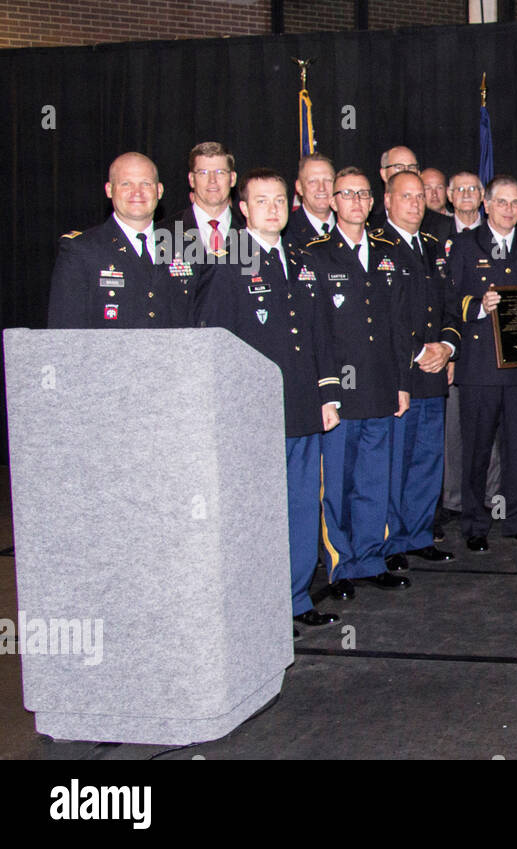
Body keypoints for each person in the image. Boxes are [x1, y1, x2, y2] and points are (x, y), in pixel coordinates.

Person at [195, 168, 342, 629]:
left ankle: (297, 597)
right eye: (262, 201)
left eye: (280, 200)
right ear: (243, 208)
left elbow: (320, 333)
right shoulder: (226, 264)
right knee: (259, 513)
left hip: (302, 407)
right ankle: (261, 608)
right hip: (252, 413)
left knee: (302, 507)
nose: (273, 209)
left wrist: (329, 395)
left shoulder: (301, 260)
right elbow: (213, 341)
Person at [301, 166, 411, 599]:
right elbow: (316, 329)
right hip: (340, 389)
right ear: (332, 200)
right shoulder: (315, 254)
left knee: (374, 479)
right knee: (338, 483)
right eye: (347, 194)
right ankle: (340, 564)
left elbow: (399, 327)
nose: (356, 202)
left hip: (382, 384)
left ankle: (370, 557)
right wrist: (326, 389)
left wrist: (403, 382)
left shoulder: (388, 252)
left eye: (364, 195)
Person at [443, 175, 517, 552]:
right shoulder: (463, 245)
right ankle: (474, 524)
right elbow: (449, 299)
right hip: (480, 370)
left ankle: (515, 519)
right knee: (476, 450)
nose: (509, 210)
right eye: (501, 202)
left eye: (515, 203)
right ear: (486, 205)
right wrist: (476, 306)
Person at [372, 170, 459, 569]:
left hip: (434, 368)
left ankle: (419, 534)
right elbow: (376, 315)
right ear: (387, 201)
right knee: (395, 461)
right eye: (405, 196)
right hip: (398, 371)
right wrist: (414, 351)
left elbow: (450, 305)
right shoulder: (376, 246)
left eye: (420, 196)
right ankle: (390, 542)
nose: (414, 203)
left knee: (427, 460)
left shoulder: (432, 245)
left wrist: (447, 346)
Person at [48, 152, 191, 329]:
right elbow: (65, 333)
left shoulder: (184, 248)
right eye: (126, 184)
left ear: (159, 190)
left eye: (145, 183)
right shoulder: (81, 250)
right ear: (109, 189)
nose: (137, 192)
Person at [161, 141, 245, 258]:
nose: (212, 180)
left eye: (220, 172)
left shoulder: (251, 230)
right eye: (203, 173)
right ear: (191, 179)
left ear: (232, 179)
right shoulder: (165, 233)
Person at [286, 153, 336, 249]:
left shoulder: (348, 225)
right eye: (313, 181)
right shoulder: (286, 231)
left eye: (328, 180)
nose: (322, 188)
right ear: (299, 187)